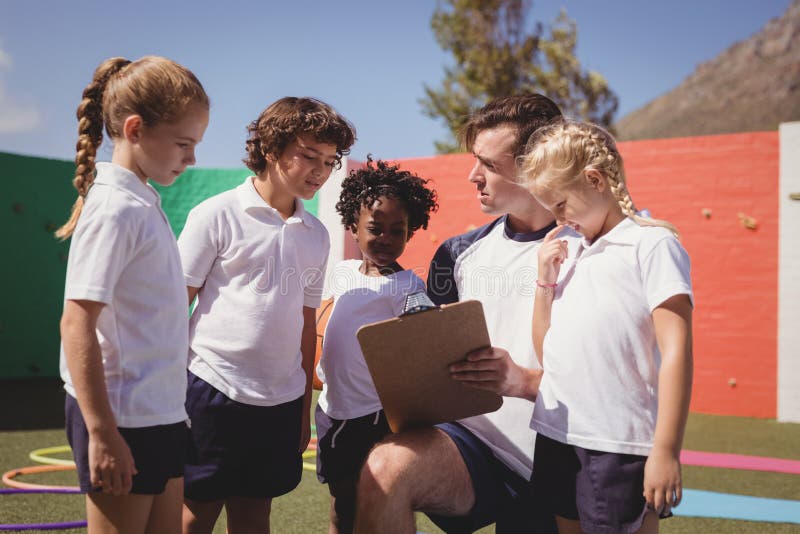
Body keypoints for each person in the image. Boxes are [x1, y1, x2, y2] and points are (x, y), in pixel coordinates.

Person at [356, 94, 563, 533]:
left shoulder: (591, 252)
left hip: (561, 461)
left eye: (488, 164)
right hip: (474, 447)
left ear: (537, 167)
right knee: (385, 469)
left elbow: (618, 383)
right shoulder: (457, 253)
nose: (473, 175)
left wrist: (524, 382)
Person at [177, 97, 356, 533]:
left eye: (329, 161)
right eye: (309, 155)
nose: (320, 170)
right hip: (211, 387)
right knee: (196, 511)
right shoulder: (215, 215)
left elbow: (306, 322)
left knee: (255, 512)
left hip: (281, 401)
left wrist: (302, 407)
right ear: (271, 149)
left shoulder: (316, 235)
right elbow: (174, 307)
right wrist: (164, 388)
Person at [58, 56, 209, 533]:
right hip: (122, 418)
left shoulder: (142, 201)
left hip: (159, 412)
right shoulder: (115, 208)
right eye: (183, 144)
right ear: (136, 129)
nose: (191, 159)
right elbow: (76, 323)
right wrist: (102, 433)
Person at [519, 119, 693, 534]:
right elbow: (548, 355)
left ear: (595, 180)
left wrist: (666, 450)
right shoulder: (571, 253)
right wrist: (545, 282)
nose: (559, 219)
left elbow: (677, 350)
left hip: (616, 442)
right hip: (557, 434)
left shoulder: (653, 244)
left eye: (561, 205)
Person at [315, 158, 438, 533]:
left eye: (397, 230)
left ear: (409, 233)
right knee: (341, 502)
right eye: (375, 228)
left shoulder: (408, 286)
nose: (386, 238)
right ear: (353, 227)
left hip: (374, 415)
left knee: (375, 500)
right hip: (332, 409)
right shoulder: (342, 273)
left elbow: (424, 336)